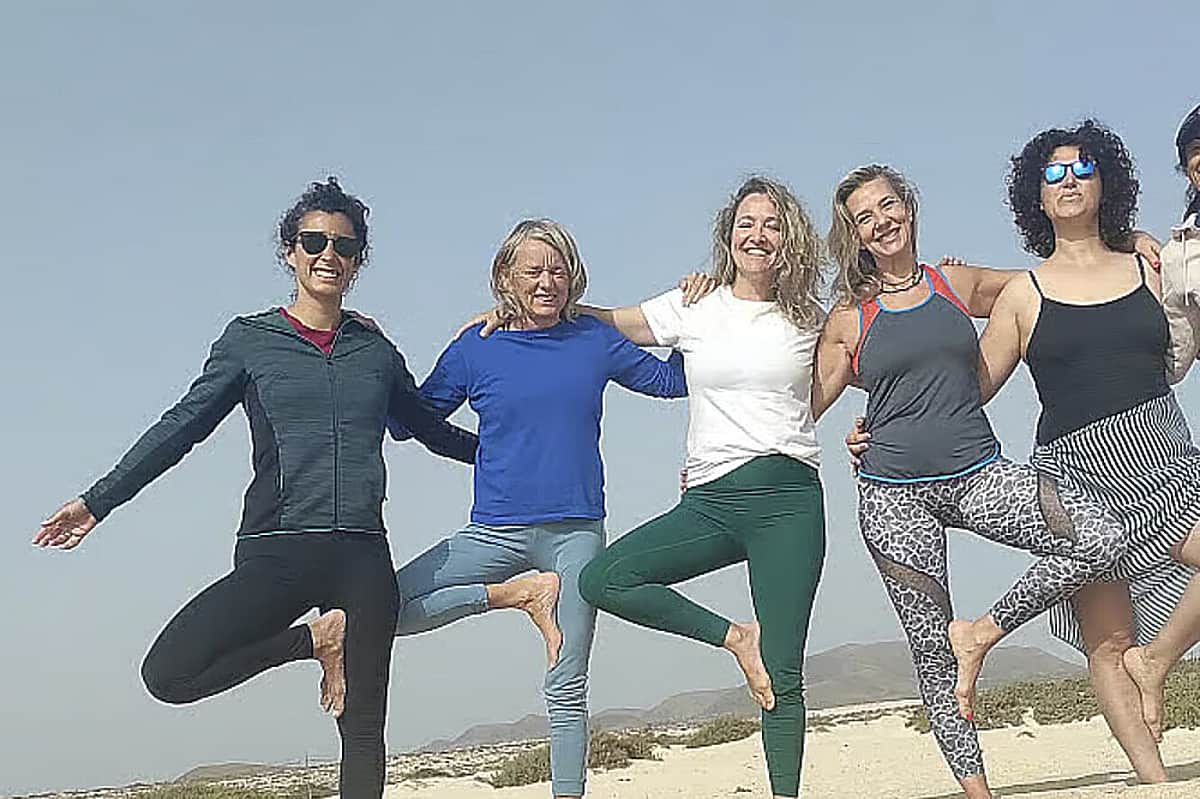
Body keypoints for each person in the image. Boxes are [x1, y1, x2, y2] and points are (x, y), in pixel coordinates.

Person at [32, 178, 478, 799]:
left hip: (362, 555)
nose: (329, 253)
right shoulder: (251, 339)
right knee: (169, 672)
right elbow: (182, 426)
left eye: (344, 246)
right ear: (290, 251)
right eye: (314, 241)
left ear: (357, 262)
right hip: (277, 551)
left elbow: (427, 429)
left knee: (364, 729)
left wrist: (512, 457)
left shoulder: (375, 350)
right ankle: (315, 641)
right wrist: (97, 501)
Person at [812, 163, 1126, 799]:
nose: (881, 221)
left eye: (887, 205)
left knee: (1102, 535)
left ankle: (981, 632)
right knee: (931, 658)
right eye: (863, 218)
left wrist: (1128, 248)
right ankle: (977, 792)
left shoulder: (954, 282)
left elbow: (1056, 280)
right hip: (892, 497)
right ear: (856, 238)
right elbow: (797, 411)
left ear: (909, 205)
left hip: (980, 473)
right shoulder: (849, 316)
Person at [389, 218, 687, 799]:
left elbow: (670, 381)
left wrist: (699, 312)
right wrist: (374, 353)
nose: (548, 281)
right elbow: (410, 422)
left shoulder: (592, 340)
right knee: (381, 608)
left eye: (559, 270)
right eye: (534, 270)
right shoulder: (476, 349)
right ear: (506, 277)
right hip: (492, 532)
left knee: (567, 679)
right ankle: (509, 595)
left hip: (574, 534)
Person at [574, 175, 827, 799]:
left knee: (784, 674)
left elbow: (871, 362)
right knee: (604, 579)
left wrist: (866, 431)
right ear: (728, 234)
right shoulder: (695, 304)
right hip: (711, 500)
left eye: (772, 224)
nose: (758, 234)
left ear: (790, 237)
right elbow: (609, 321)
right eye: (747, 223)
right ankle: (735, 637)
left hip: (789, 502)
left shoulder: (813, 319)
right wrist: (527, 306)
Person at [975, 119, 1200, 783]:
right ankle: (1154, 782)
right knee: (1107, 640)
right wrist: (882, 419)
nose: (1067, 180)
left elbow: (1187, 342)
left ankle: (1158, 661)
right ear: (1035, 199)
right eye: (1052, 173)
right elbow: (968, 391)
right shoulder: (1024, 293)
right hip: (1079, 481)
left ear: (1105, 184)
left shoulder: (1150, 262)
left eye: (1081, 169)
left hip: (1166, 462)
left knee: (1138, 647)